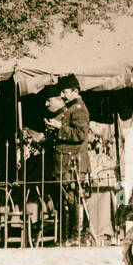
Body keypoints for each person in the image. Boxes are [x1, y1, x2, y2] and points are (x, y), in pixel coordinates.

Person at [49, 74, 91, 243]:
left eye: (64, 92)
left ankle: (77, 237)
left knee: (74, 201)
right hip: (65, 165)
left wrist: (60, 127)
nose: (61, 95)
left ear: (75, 91)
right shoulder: (71, 108)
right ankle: (67, 238)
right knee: (68, 202)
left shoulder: (79, 109)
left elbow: (80, 134)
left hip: (73, 165)